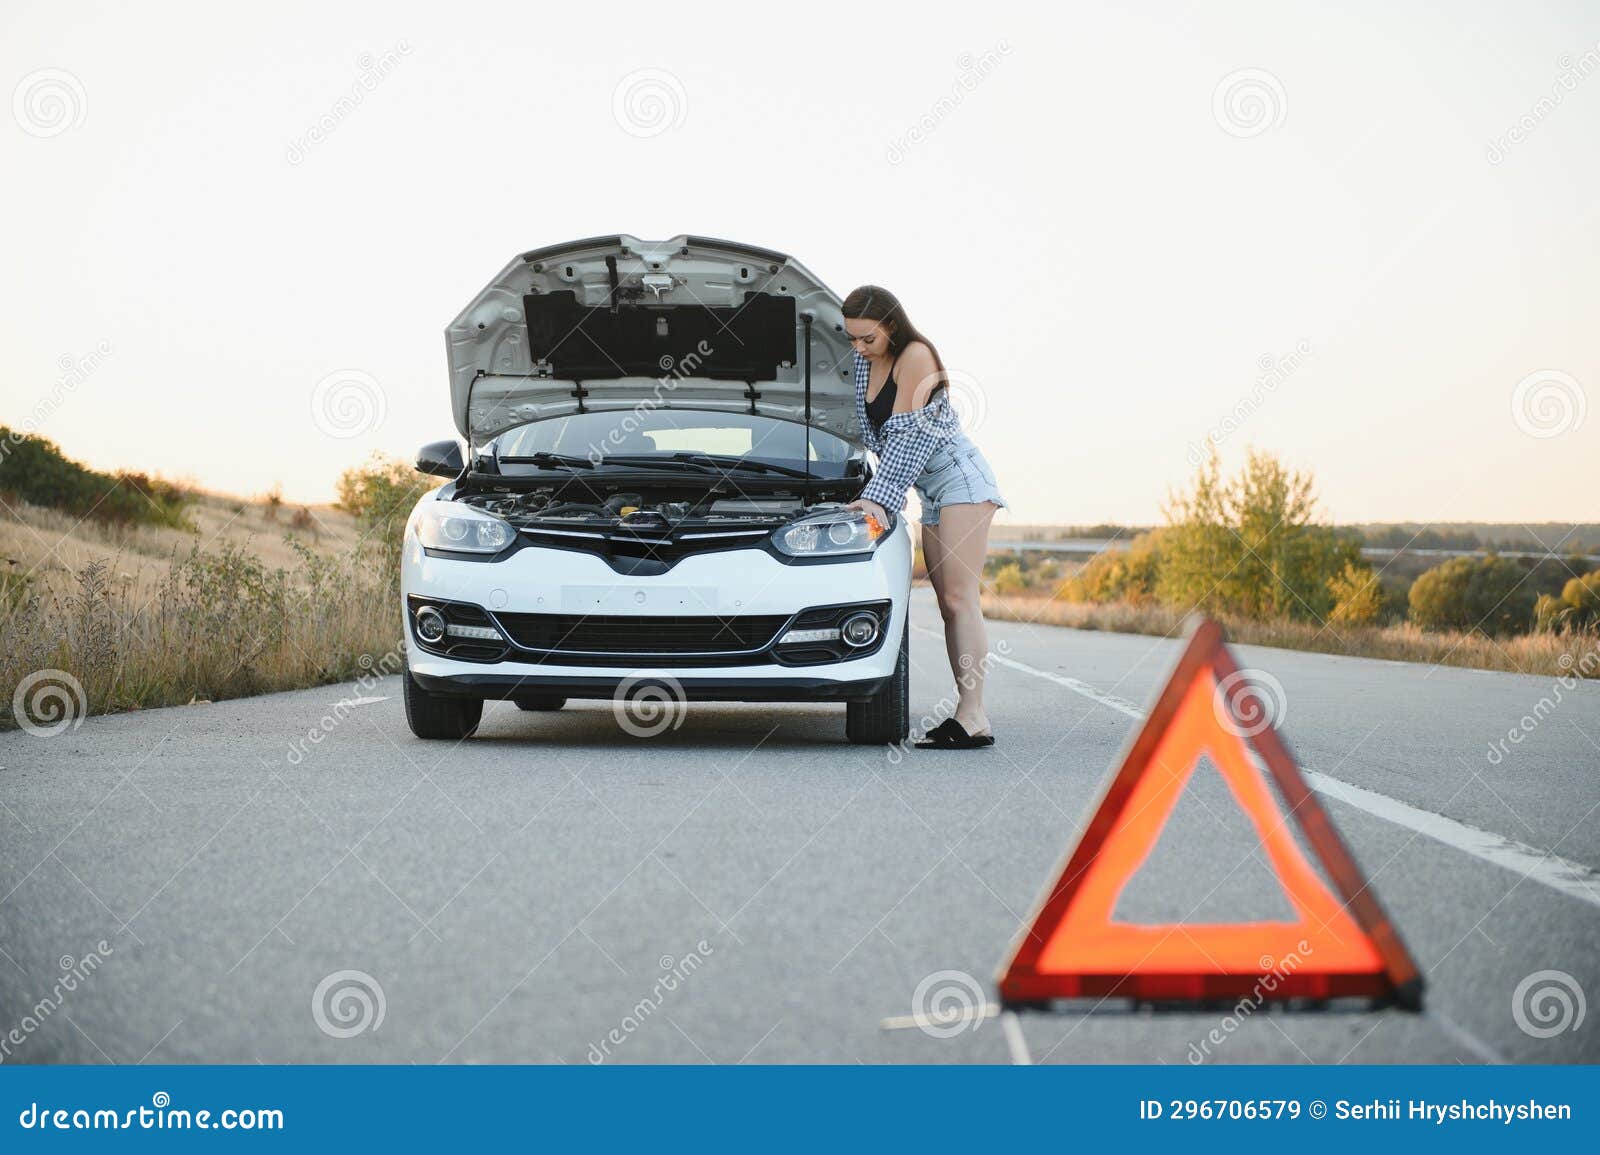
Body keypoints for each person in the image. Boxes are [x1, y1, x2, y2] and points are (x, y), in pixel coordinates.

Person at [840, 285, 1007, 749]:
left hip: (960, 481)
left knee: (960, 598)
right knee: (947, 602)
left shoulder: (916, 355)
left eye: (867, 338)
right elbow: (868, 432)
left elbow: (905, 441)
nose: (858, 348)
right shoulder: (867, 360)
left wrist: (876, 499)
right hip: (931, 490)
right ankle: (967, 712)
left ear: (891, 325)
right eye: (852, 339)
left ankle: (973, 716)